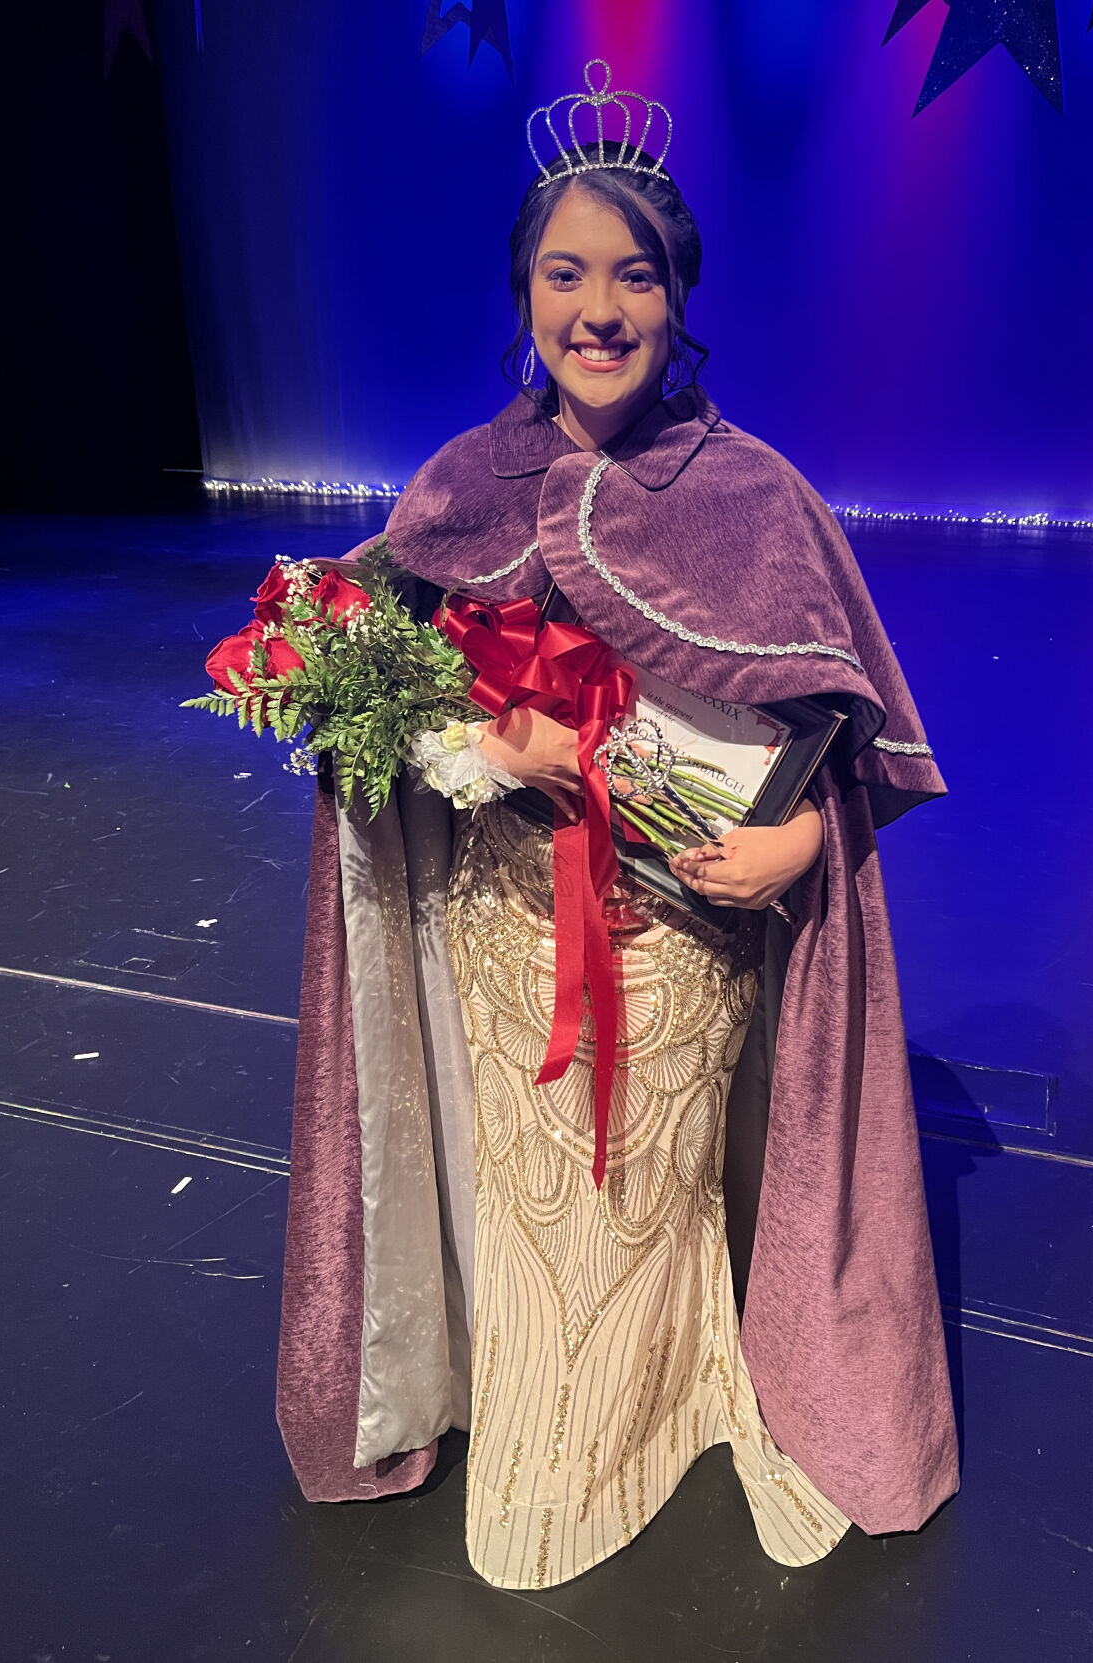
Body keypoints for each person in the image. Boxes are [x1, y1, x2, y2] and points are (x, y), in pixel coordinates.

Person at [275, 60, 959, 1591]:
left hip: (678, 941)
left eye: (632, 274)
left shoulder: (756, 497)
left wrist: (804, 851)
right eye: (564, 272)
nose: (598, 308)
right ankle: (541, 1434)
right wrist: (466, 736)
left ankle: (660, 1408)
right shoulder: (465, 483)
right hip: (507, 933)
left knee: (640, 1197)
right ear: (523, 295)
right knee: (532, 1208)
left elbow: (856, 743)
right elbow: (369, 677)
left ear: (678, 295)